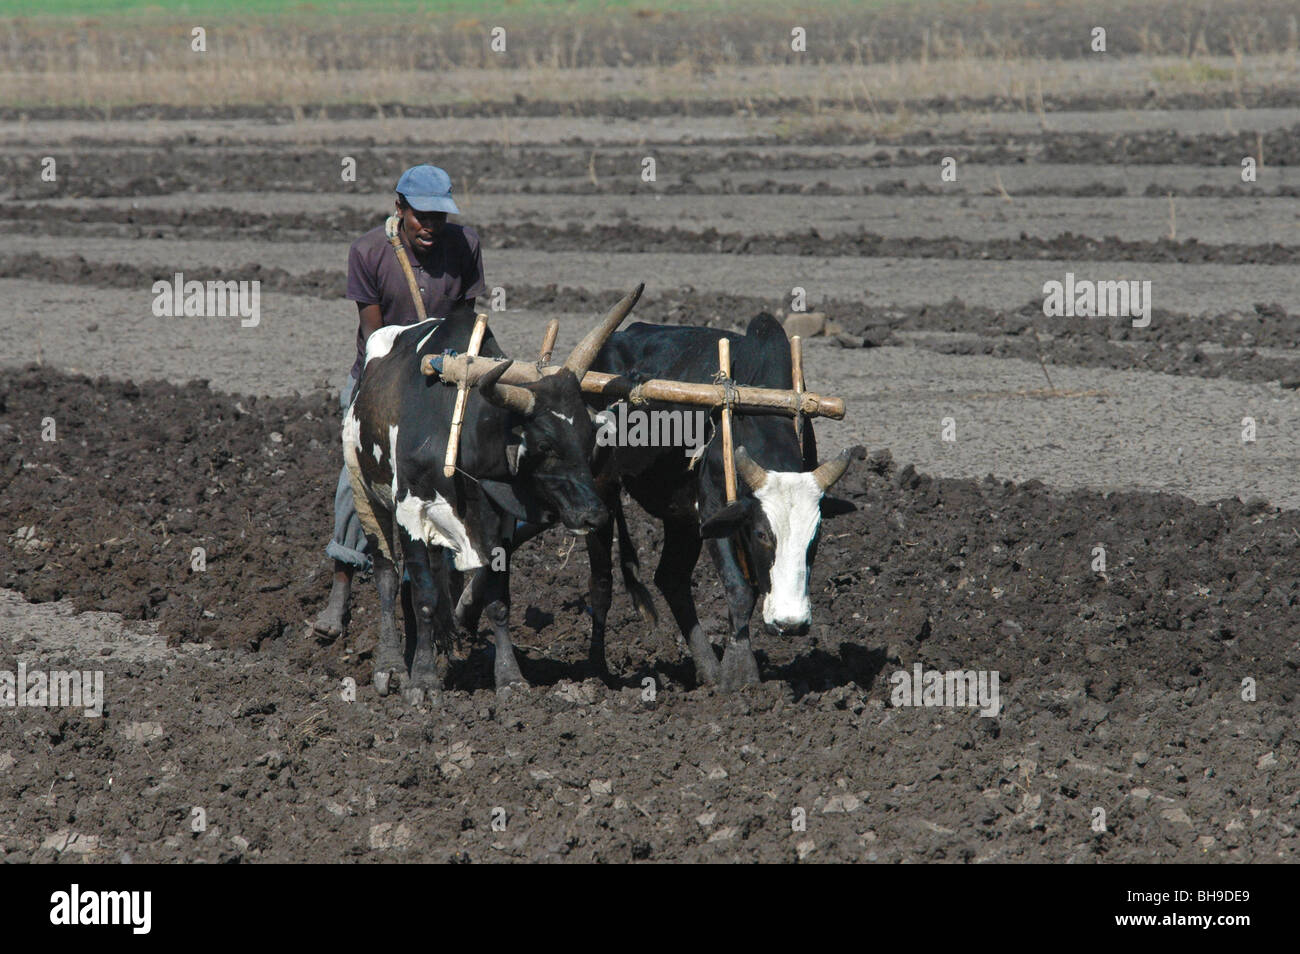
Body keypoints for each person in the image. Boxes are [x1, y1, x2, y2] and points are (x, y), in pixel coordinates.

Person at [314, 164, 486, 637]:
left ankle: (449, 586)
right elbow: (375, 336)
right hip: (381, 378)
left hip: (442, 380)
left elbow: (465, 324)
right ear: (400, 209)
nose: (430, 226)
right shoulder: (368, 252)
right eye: (421, 216)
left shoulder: (465, 245)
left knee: (465, 469)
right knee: (355, 482)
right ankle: (341, 588)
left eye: (439, 217)